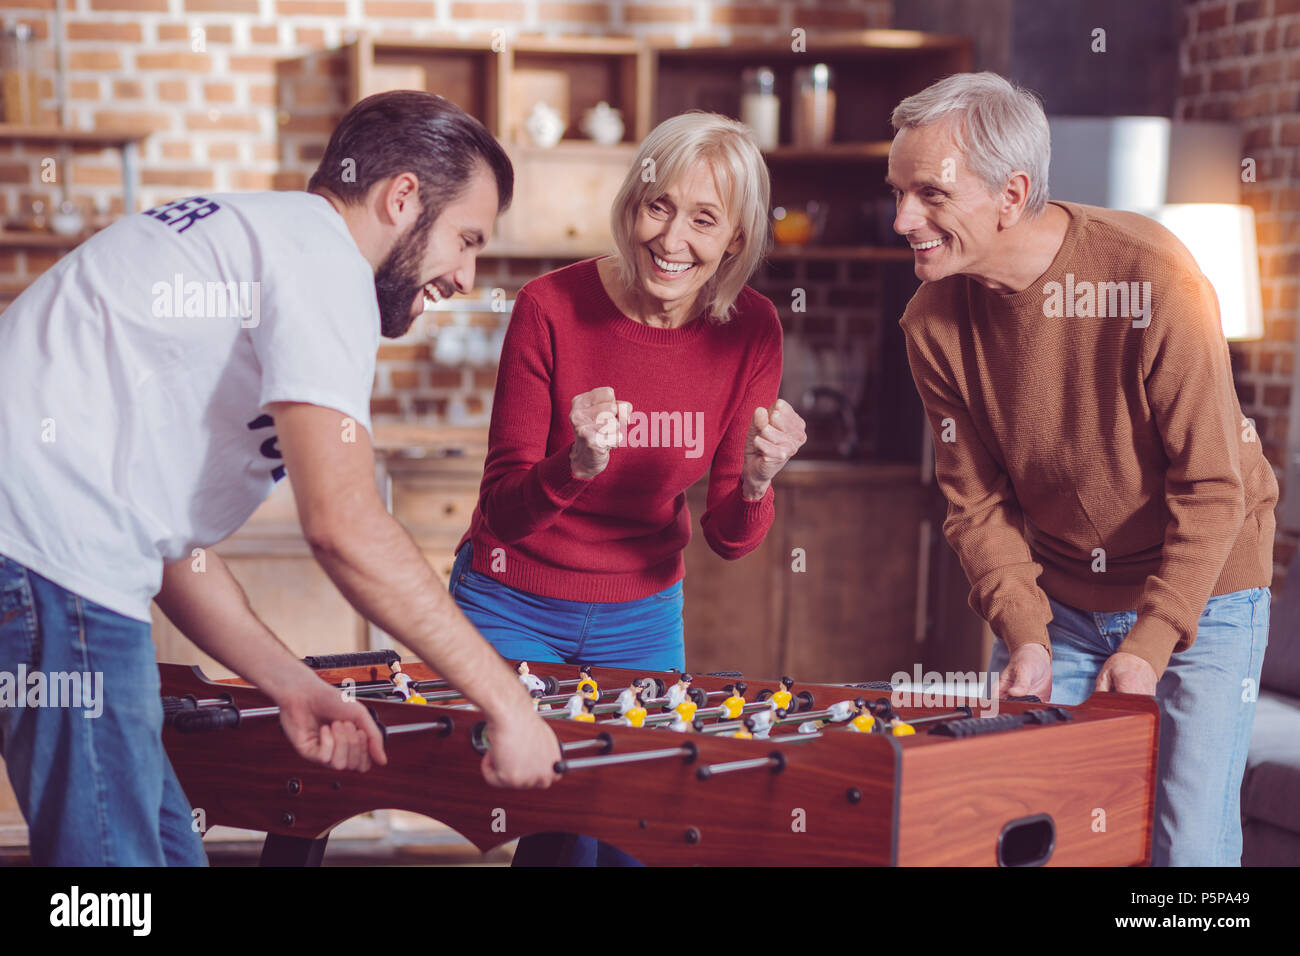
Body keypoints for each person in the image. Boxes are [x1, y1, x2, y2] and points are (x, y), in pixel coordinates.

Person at [0, 90, 560, 866]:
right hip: (46, 566)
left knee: (159, 853)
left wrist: (289, 683)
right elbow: (345, 526)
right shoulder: (323, 265)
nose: (465, 274)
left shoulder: (267, 238)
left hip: (51, 562)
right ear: (403, 198)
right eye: (466, 239)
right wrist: (508, 704)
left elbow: (170, 548)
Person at [887, 72, 1277, 866]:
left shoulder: (1150, 276)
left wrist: (1154, 638)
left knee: (1187, 851)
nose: (903, 220)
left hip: (1204, 588)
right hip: (1060, 598)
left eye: (930, 194)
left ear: (1011, 192)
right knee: (1023, 840)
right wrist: (1025, 636)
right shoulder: (931, 321)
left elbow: (1211, 488)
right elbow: (977, 506)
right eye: (897, 191)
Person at [448, 111, 807, 865]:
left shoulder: (752, 329)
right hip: (514, 603)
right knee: (565, 828)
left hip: (640, 616)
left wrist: (760, 483)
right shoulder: (550, 307)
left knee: (642, 833)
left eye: (704, 219)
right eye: (658, 206)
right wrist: (572, 466)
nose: (672, 240)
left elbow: (729, 538)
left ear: (734, 239)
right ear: (631, 206)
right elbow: (506, 510)